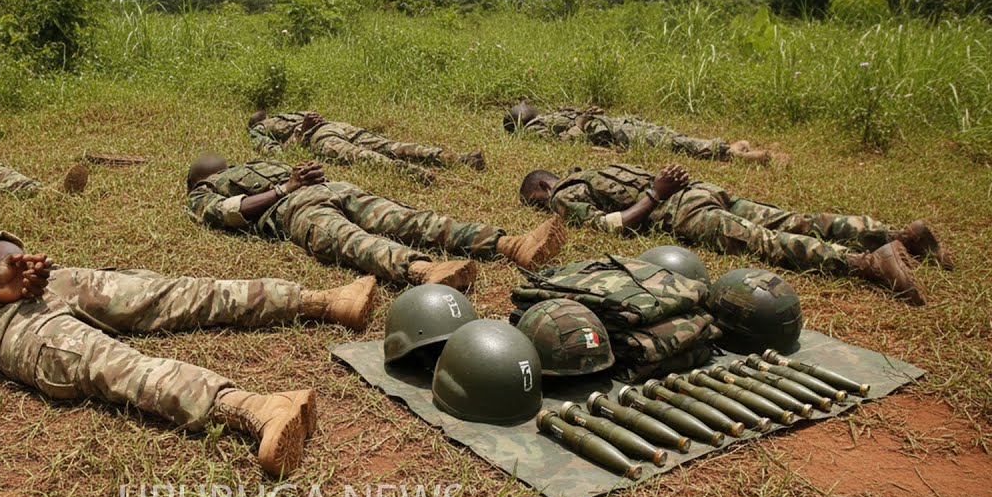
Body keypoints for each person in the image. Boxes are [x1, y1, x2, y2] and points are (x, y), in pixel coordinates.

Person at [0, 232, 378, 476]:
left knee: (173, 293)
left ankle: (325, 301)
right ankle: (257, 409)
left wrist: (19, 261)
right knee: (110, 365)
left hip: (28, 287)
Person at [519, 162, 952, 306]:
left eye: (537, 203)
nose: (545, 208)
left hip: (680, 207)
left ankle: (870, 262)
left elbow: (612, 227)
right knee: (792, 219)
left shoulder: (564, 192)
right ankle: (899, 235)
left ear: (542, 187)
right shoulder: (596, 168)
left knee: (768, 240)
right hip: (702, 189)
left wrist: (655, 193)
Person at [186, 154, 566, 290]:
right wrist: (286, 188)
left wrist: (307, 174)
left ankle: (507, 244)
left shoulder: (253, 163)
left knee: (411, 219)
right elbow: (229, 213)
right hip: (293, 210)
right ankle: (422, 269)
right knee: (349, 240)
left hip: (331, 189)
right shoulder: (202, 193)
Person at [248, 109, 485, 182]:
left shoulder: (287, 113)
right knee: (360, 155)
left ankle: (454, 159)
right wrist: (302, 129)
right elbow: (282, 153)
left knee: (390, 145)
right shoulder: (260, 130)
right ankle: (415, 173)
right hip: (315, 136)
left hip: (336, 126)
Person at [504, 103, 780, 164]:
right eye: (516, 108)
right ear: (518, 121)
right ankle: (737, 155)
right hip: (610, 133)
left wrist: (580, 111)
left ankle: (728, 147)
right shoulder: (533, 130)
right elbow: (568, 140)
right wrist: (582, 121)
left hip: (615, 124)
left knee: (667, 134)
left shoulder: (547, 116)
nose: (521, 104)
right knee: (669, 142)